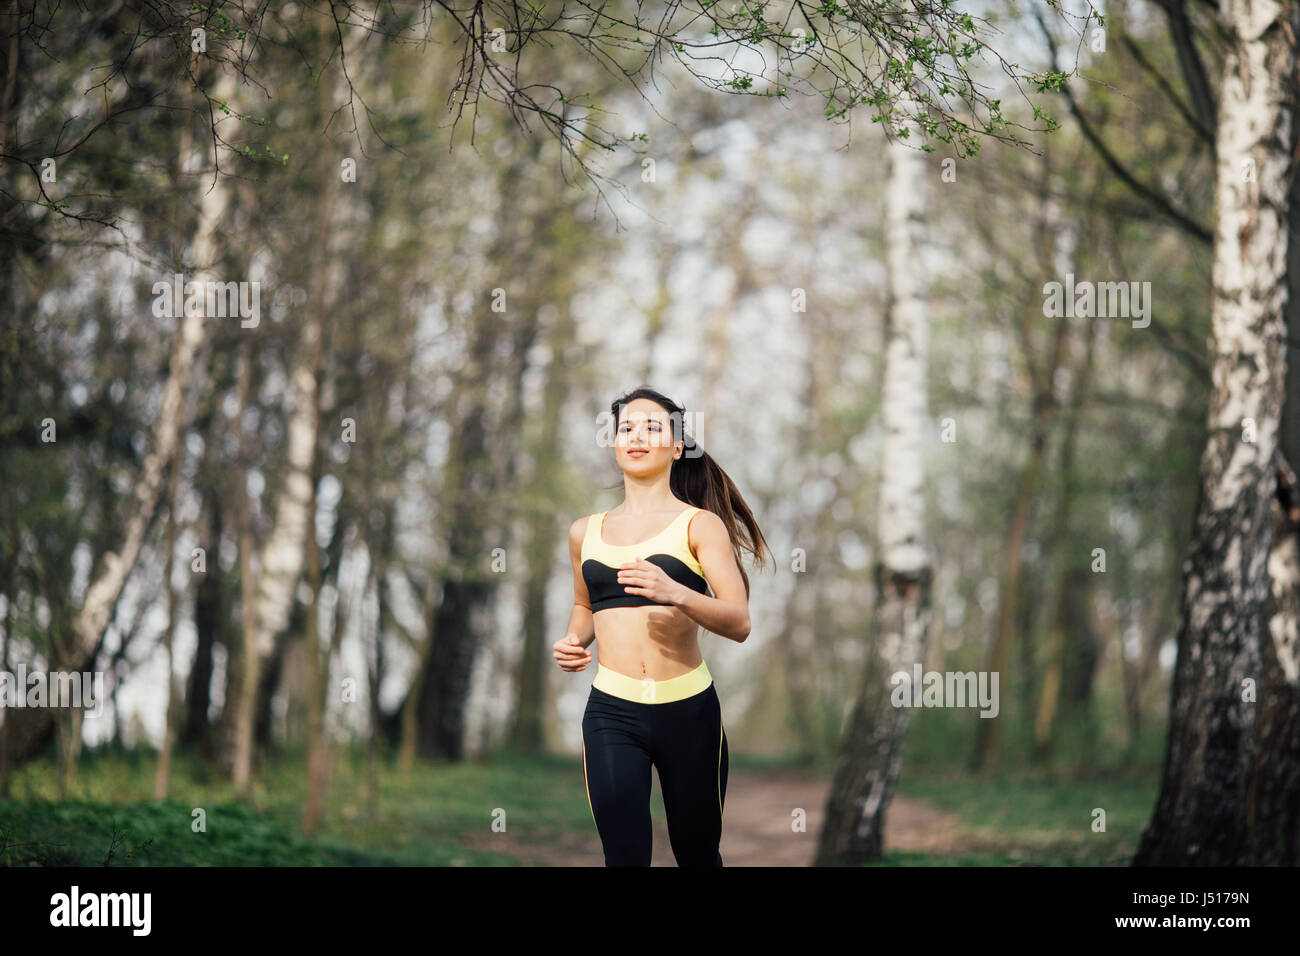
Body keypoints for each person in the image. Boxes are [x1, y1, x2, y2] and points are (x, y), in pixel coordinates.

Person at [554, 386, 771, 866]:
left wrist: (676, 591)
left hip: (689, 710)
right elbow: (584, 605)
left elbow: (739, 622)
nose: (637, 436)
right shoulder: (583, 531)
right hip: (612, 712)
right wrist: (573, 640)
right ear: (614, 444)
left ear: (676, 446)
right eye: (627, 427)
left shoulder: (699, 525)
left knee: (696, 854)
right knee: (625, 856)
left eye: (653, 427)